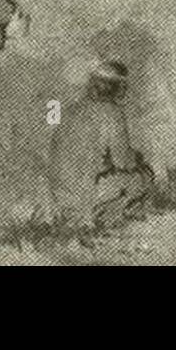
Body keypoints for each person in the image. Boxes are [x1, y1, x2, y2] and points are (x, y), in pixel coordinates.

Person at [47, 60, 155, 229]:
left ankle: (86, 215)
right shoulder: (113, 113)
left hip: (60, 196)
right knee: (144, 177)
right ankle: (103, 217)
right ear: (114, 86)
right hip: (85, 195)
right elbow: (123, 162)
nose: (125, 90)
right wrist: (137, 158)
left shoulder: (71, 109)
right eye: (122, 85)